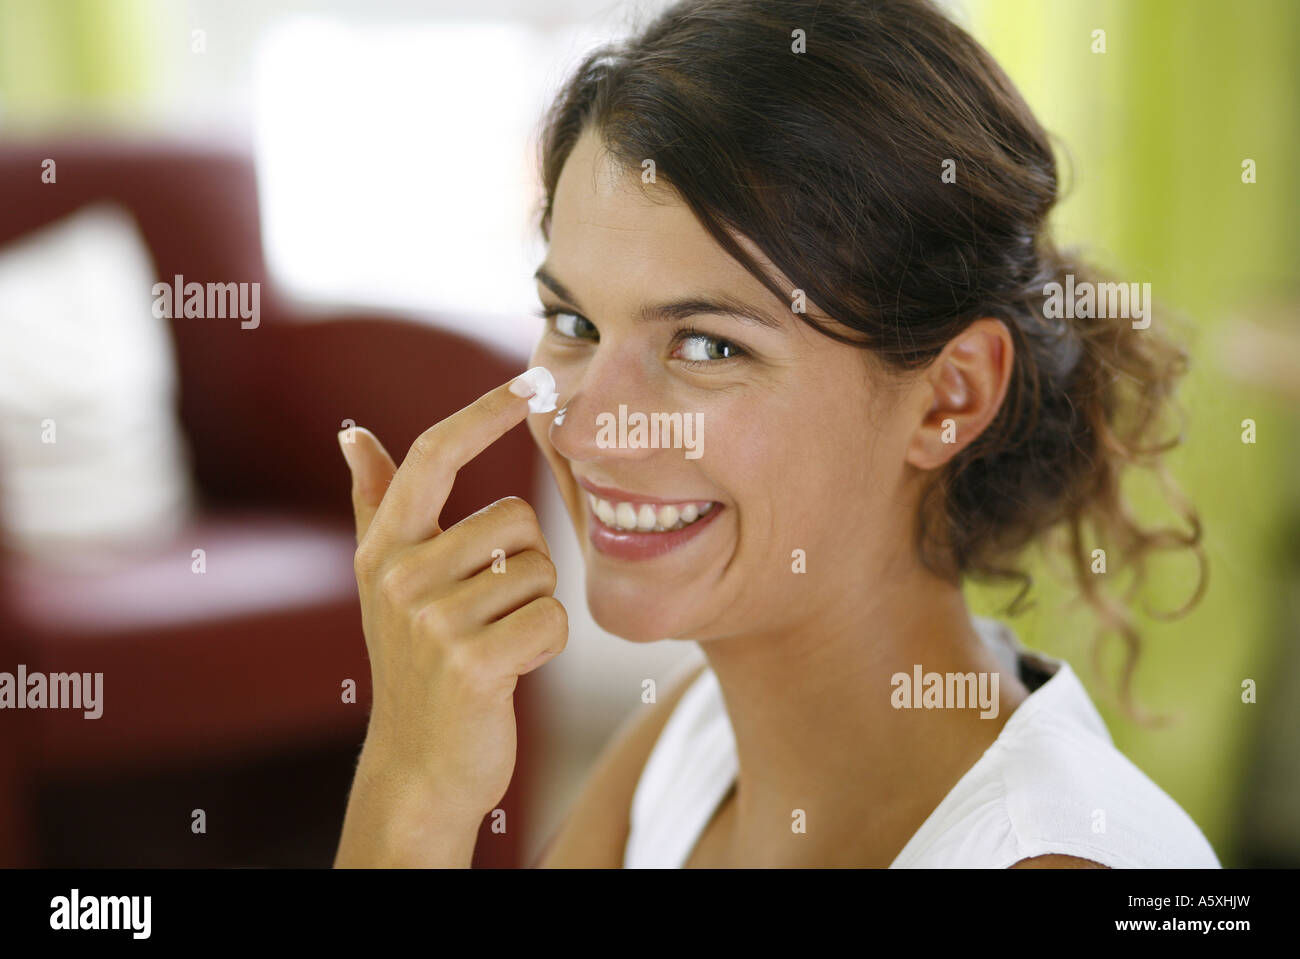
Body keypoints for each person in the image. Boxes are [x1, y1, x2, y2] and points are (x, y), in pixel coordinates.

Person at [332, 0, 1219, 868]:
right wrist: (417, 786)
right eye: (574, 322)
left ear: (951, 394)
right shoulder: (688, 745)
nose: (589, 430)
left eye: (708, 344)